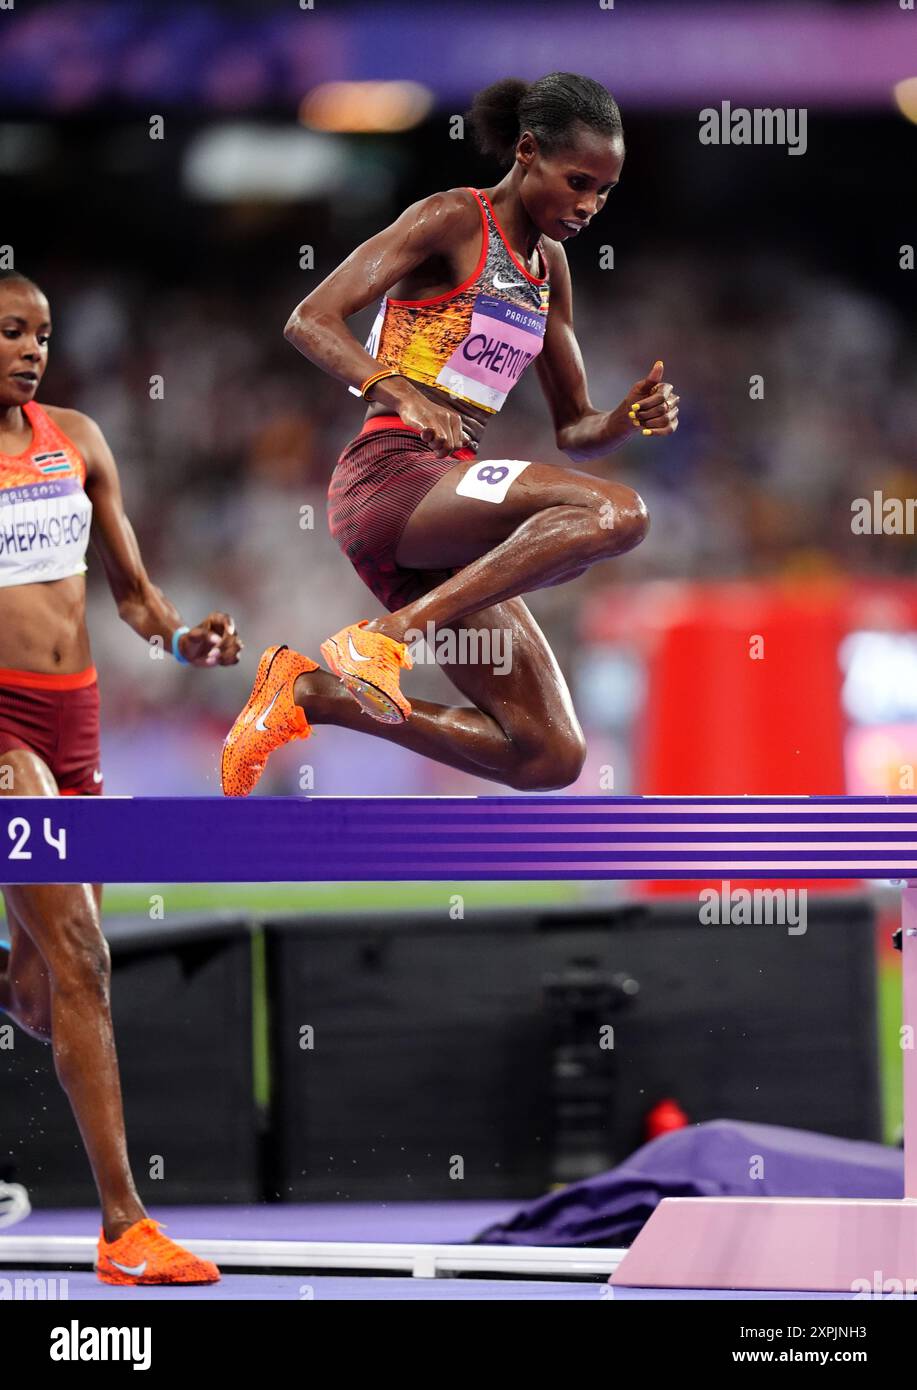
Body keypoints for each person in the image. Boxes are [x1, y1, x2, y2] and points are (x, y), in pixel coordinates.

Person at [221, 72, 678, 798]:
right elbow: (309, 318)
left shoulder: (547, 269)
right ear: (526, 151)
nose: (589, 205)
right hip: (389, 478)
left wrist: (623, 418)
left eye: (604, 192)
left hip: (445, 520)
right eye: (578, 181)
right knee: (616, 513)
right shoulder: (452, 219)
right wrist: (395, 388)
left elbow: (574, 429)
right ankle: (388, 637)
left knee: (547, 754)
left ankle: (313, 695)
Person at [0, 268, 241, 1284]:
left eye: (42, 333)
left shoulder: (80, 440)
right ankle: (123, 1226)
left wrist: (185, 640)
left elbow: (135, 598)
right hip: (3, 728)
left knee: (47, 993)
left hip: (78, 716)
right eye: (11, 331)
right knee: (87, 962)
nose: (32, 348)